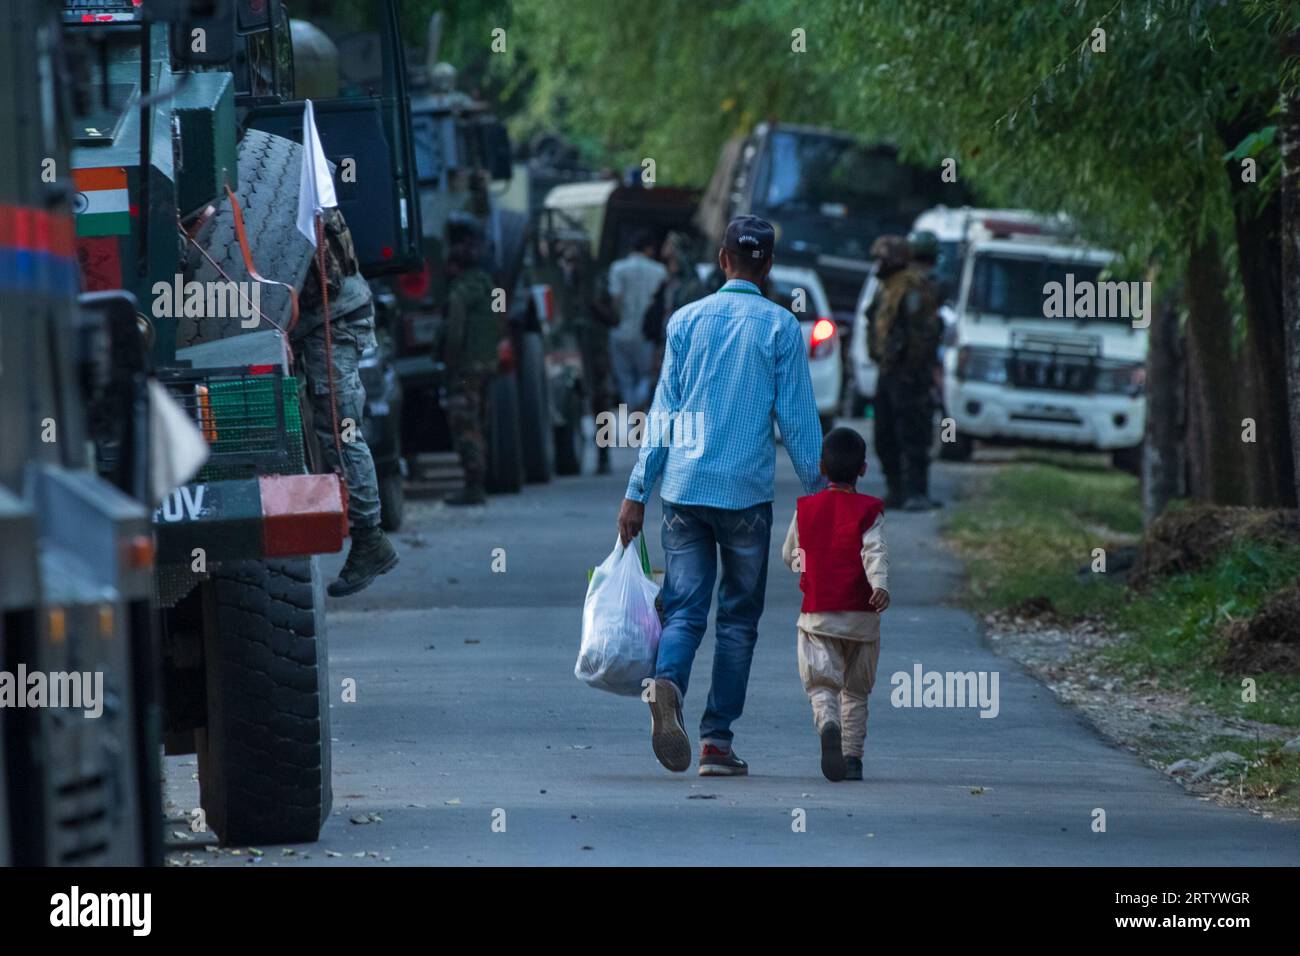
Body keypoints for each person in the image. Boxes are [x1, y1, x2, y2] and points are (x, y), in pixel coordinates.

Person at [617, 215, 824, 777]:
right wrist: (824, 498)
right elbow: (800, 425)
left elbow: (662, 415)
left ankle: (667, 683)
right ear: (770, 266)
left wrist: (638, 490)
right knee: (737, 621)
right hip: (745, 498)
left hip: (683, 490)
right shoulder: (781, 328)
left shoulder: (685, 321)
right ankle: (715, 743)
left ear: (722, 257)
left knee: (684, 609)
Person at [294, 206, 399, 597]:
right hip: (331, 317)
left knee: (343, 432)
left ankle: (370, 539)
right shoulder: (298, 183)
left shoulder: (292, 193)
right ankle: (368, 537)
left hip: (333, 320)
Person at [780, 427, 890, 782]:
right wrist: (879, 586)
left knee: (822, 683)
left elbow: (789, 556)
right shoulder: (869, 510)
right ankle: (853, 758)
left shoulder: (806, 509)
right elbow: (874, 552)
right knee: (856, 692)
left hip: (818, 615)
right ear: (863, 470)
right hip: (862, 618)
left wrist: (807, 565)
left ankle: (828, 722)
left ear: (821, 469)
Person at [866, 234, 943, 511]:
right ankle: (896, 488)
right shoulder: (886, 287)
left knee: (912, 433)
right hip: (888, 371)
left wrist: (913, 370)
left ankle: (916, 491)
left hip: (909, 375)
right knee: (884, 432)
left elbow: (924, 334)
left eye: (882, 259)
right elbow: (872, 321)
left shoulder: (911, 288)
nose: (878, 264)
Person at [437, 212, 500, 506]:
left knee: (465, 425)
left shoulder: (460, 291)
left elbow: (453, 333)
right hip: (486, 364)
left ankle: (473, 487)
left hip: (464, 368)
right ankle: (480, 481)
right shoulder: (488, 284)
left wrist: (448, 363)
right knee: (479, 421)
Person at [556, 237, 615, 474]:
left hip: (595, 349)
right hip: (569, 348)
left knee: (601, 403)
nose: (571, 265)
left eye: (575, 259)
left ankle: (603, 456)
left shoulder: (597, 282)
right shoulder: (560, 283)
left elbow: (613, 316)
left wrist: (594, 306)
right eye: (567, 260)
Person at [607, 229, 667, 410]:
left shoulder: (618, 268)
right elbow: (663, 305)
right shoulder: (659, 271)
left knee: (625, 379)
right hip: (645, 335)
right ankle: (639, 409)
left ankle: (633, 417)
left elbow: (615, 299)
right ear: (649, 249)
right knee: (645, 377)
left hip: (621, 332)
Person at [642, 231, 712, 379]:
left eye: (669, 243)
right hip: (660, 339)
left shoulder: (690, 282)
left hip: (675, 342)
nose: (665, 246)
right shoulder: (667, 277)